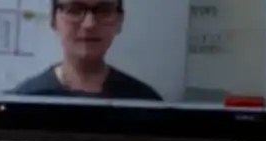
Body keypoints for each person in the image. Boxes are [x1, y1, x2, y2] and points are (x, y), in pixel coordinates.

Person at [12, 0, 163, 101]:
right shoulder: (25, 101)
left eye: (104, 10)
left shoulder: (145, 103)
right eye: (74, 10)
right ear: (53, 20)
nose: (89, 24)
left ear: (119, 22)